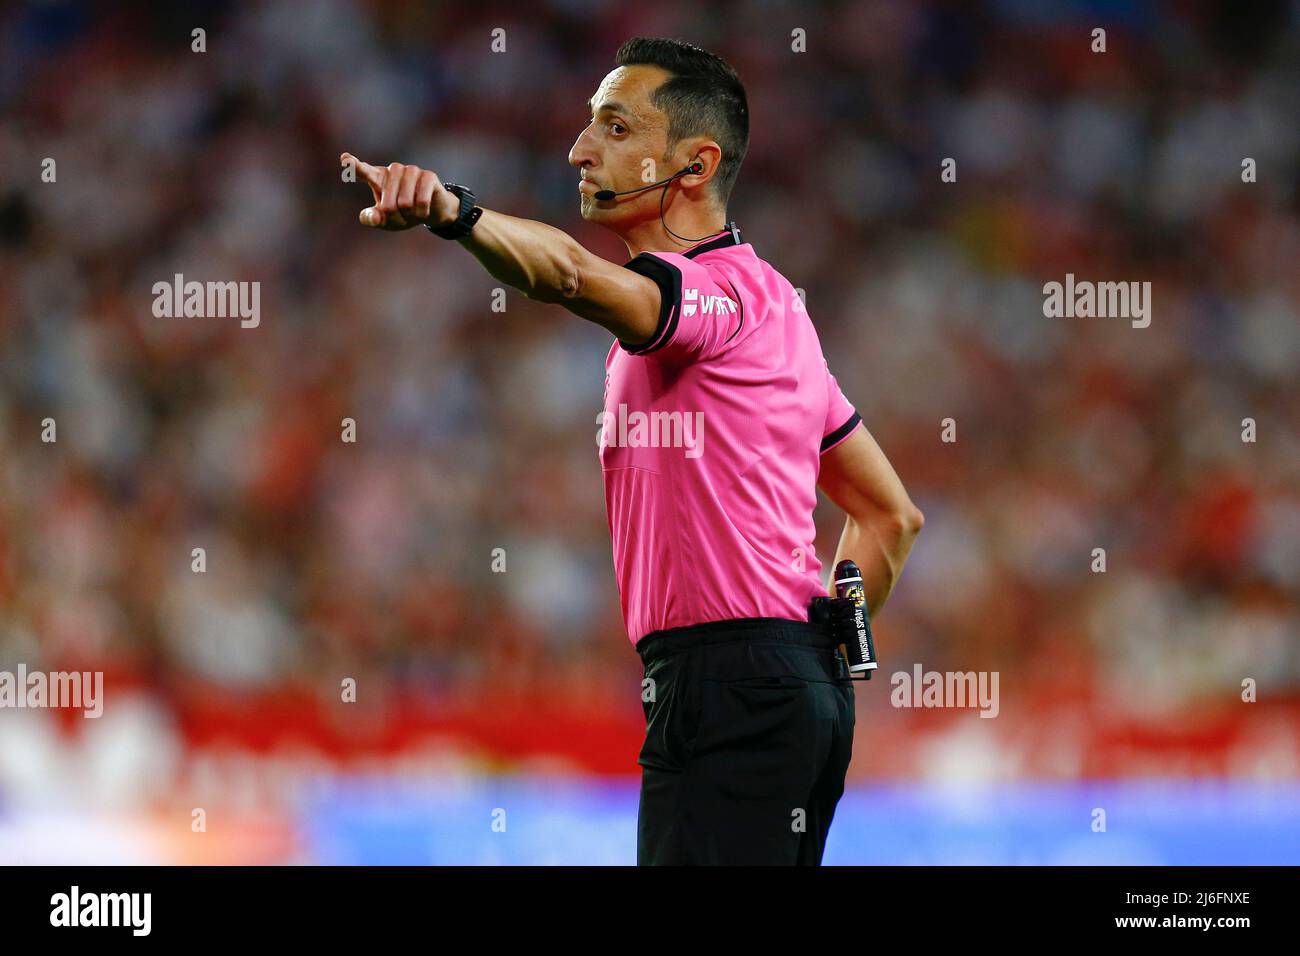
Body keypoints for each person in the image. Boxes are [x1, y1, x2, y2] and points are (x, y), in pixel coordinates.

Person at [341, 36, 923, 865]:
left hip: (737, 688)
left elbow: (571, 278)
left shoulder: (717, 297)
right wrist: (835, 637)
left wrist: (456, 214)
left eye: (614, 129)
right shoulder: (778, 315)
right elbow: (889, 516)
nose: (579, 150)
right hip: (751, 683)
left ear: (693, 164)